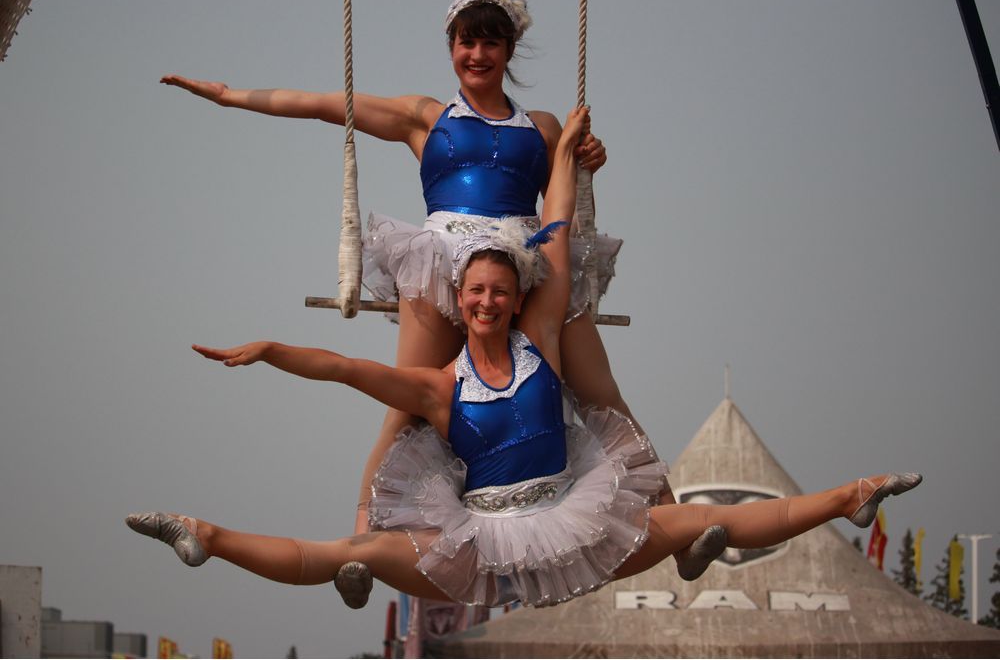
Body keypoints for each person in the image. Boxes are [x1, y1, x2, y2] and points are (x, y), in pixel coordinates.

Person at [127, 106, 922, 609]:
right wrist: (266, 351)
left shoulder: (539, 345)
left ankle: (851, 494)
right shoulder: (441, 387)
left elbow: (559, 238)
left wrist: (568, 155)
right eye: (473, 292)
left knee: (709, 518)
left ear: (512, 298)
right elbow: (343, 369)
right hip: (472, 540)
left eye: (498, 292)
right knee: (348, 552)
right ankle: (204, 533)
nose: (484, 303)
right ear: (460, 297)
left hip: (576, 527)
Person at [160, 0, 724, 604]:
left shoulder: (538, 126)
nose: (477, 55)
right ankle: (357, 543)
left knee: (599, 390)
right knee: (404, 407)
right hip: (439, 267)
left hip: (526, 271)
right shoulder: (424, 116)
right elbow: (323, 104)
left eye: (490, 43)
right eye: (465, 42)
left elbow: (567, 179)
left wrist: (588, 152)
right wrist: (231, 96)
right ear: (450, 45)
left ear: (510, 51)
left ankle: (672, 524)